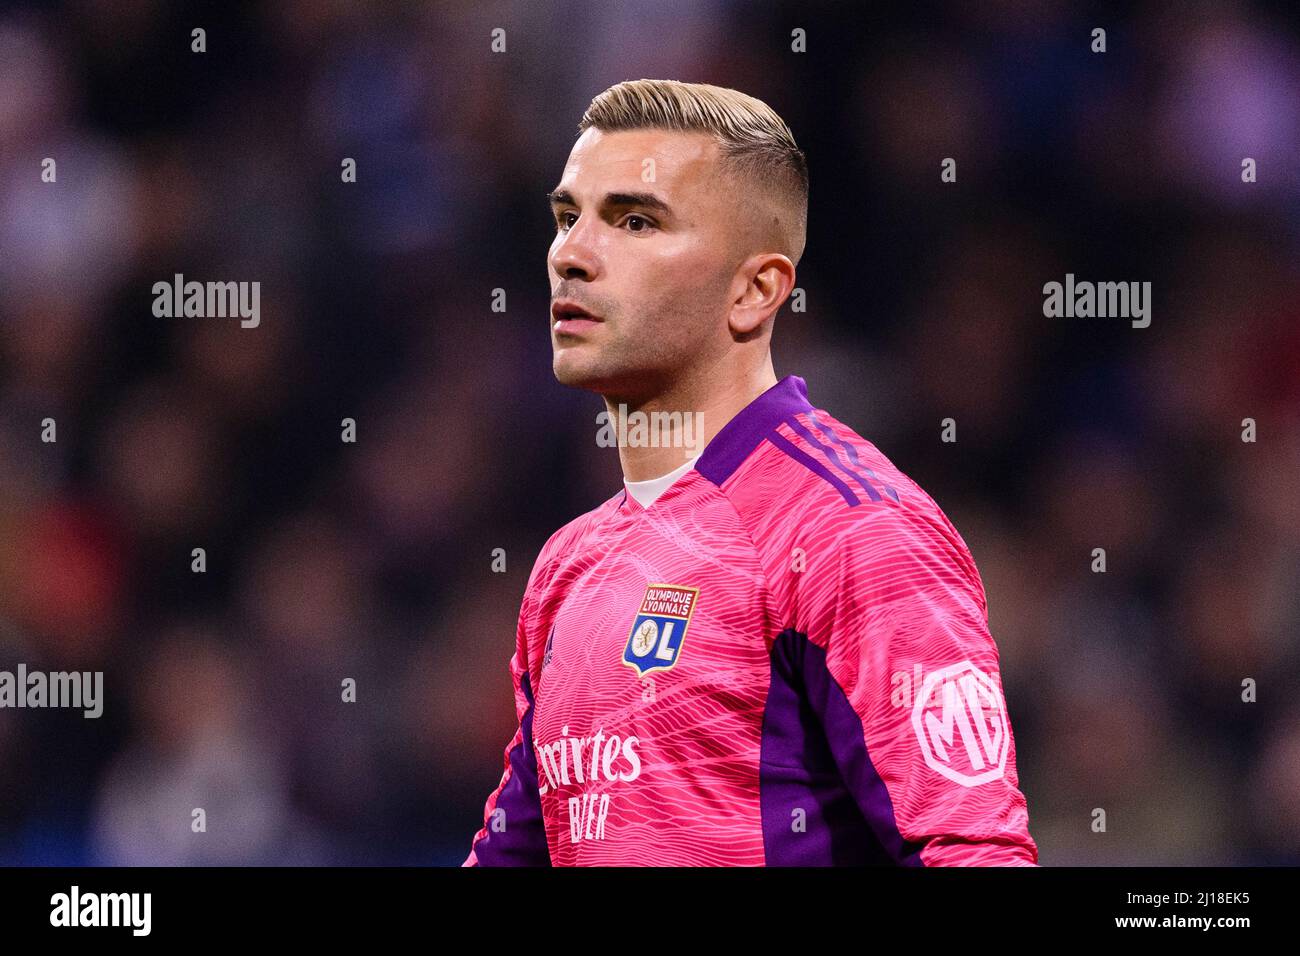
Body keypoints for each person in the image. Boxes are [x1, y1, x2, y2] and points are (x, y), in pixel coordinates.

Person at [464, 78, 1037, 866]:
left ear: (755, 290)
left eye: (634, 221)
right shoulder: (569, 568)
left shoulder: (854, 531)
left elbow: (975, 853)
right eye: (568, 218)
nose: (573, 254)